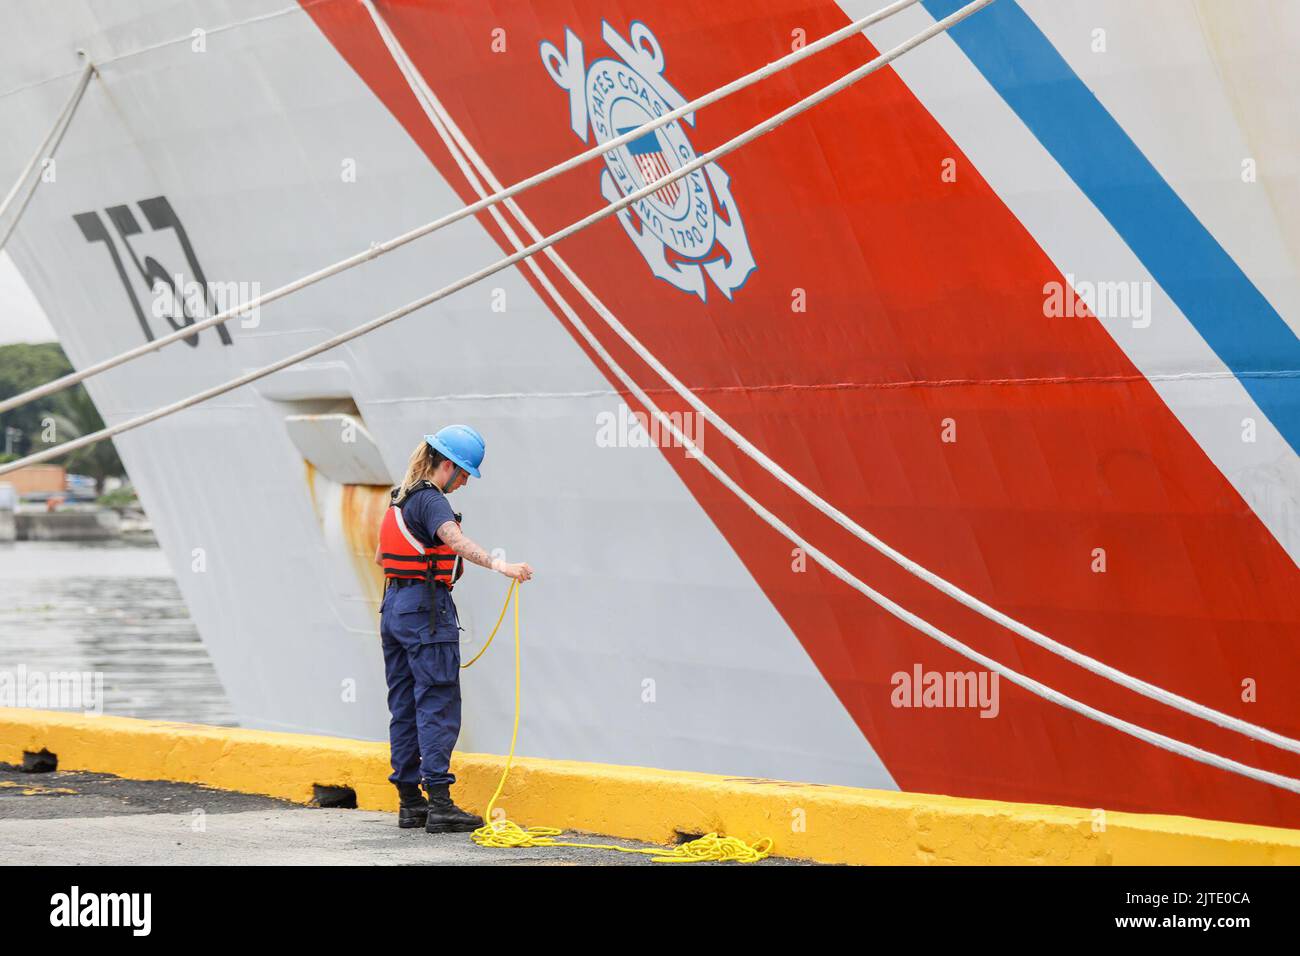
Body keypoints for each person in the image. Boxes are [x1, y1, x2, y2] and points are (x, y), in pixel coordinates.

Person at [374, 425, 533, 832]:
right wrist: (502, 566)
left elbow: (380, 556)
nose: (464, 483)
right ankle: (441, 803)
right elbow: (454, 540)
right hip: (426, 610)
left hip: (394, 605)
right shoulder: (431, 501)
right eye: (463, 474)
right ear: (447, 465)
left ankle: (411, 803)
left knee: (404, 703)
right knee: (438, 700)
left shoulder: (400, 498)